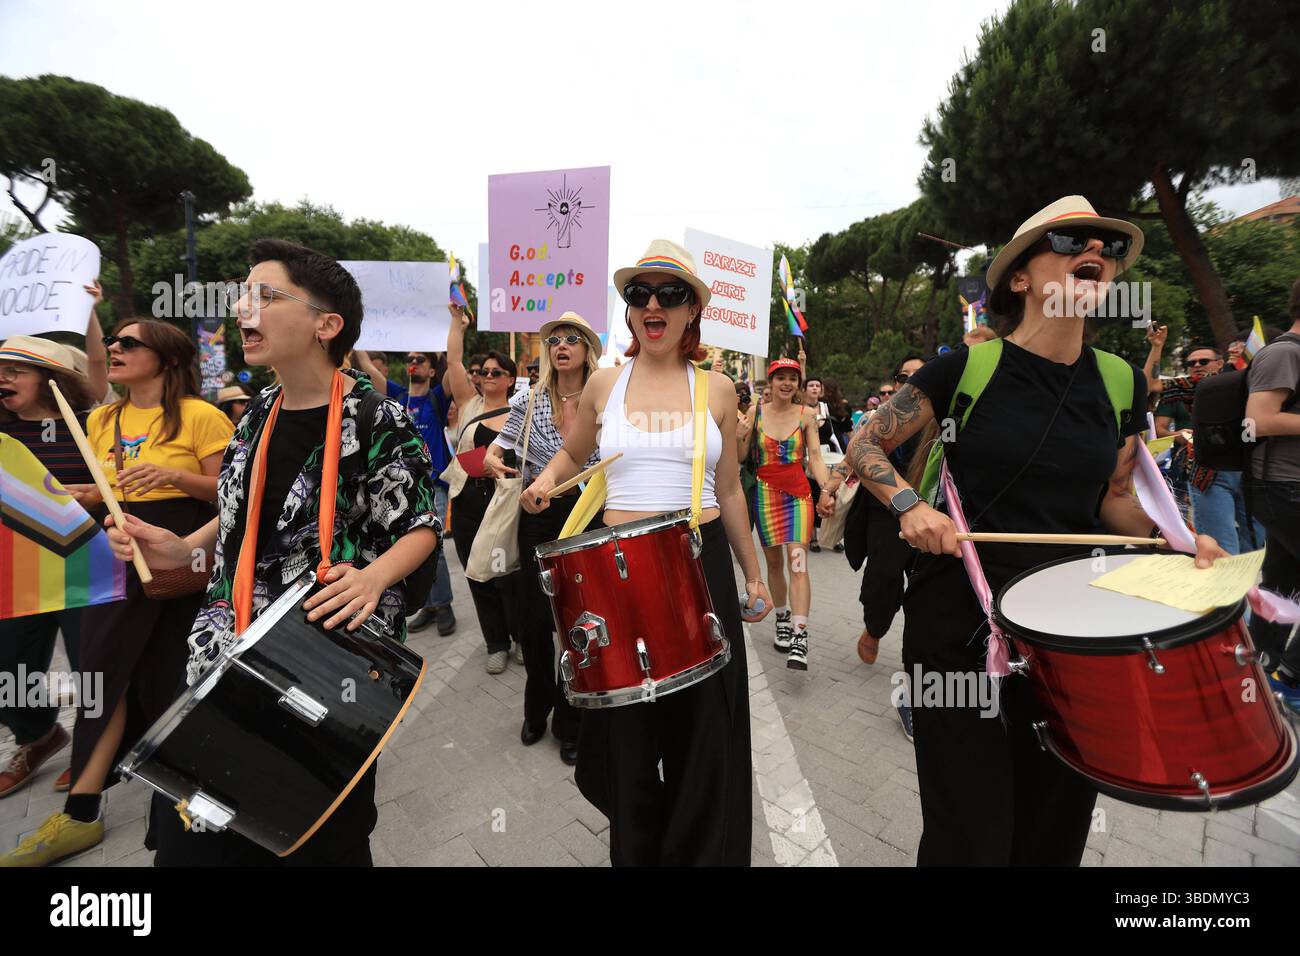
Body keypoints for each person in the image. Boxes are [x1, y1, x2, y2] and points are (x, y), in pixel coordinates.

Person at [846, 196, 1226, 865]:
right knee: (972, 832)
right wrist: (910, 505)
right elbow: (865, 446)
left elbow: (1114, 499)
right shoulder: (966, 369)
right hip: (962, 627)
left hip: (1073, 633)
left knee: (1054, 827)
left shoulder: (1118, 383)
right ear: (1019, 277)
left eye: (1107, 249)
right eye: (1071, 240)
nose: (1097, 254)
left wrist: (1175, 540)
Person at [99, 239, 440, 867]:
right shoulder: (257, 412)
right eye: (240, 294)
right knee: (195, 831)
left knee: (318, 832)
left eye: (263, 294)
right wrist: (182, 546)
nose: (240, 307)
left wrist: (372, 579)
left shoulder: (376, 415)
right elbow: (238, 515)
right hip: (222, 647)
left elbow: (419, 525)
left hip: (322, 655)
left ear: (325, 325)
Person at [521, 239, 772, 865]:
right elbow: (577, 455)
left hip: (701, 560)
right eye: (640, 294)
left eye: (671, 294)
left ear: (692, 312)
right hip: (618, 571)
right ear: (630, 311)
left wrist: (757, 574)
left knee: (706, 733)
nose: (653, 303)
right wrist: (546, 481)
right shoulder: (605, 384)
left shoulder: (717, 390)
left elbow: (733, 490)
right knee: (626, 738)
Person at [3, 317, 234, 867]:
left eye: (130, 343)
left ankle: (181, 801)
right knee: (105, 678)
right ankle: (81, 813)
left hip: (181, 561)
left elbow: (230, 494)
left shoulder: (204, 416)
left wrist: (170, 477)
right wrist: (82, 496)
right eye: (114, 342)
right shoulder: (101, 419)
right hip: (115, 559)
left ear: (168, 359)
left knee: (170, 683)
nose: (114, 349)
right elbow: (108, 491)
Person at [484, 312, 601, 764]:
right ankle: (537, 706)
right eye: (554, 340)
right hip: (538, 514)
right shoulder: (528, 400)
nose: (561, 346)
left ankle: (572, 719)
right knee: (534, 623)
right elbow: (500, 448)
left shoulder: (605, 399)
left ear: (586, 348)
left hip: (589, 515)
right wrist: (493, 460)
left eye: (572, 338)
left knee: (579, 620)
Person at [0, 337, 98, 800]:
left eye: (15, 369)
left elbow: (117, 483)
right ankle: (38, 736)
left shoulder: (92, 425)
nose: (3, 378)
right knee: (8, 665)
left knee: (92, 663)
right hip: (16, 565)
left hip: (85, 559)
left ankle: (96, 750)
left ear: (50, 378)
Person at [440, 307, 524, 673]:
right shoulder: (469, 403)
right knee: (477, 575)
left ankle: (520, 636)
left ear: (509, 379)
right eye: (484, 372)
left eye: (496, 372)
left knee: (507, 574)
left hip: (504, 502)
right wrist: (457, 325)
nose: (487, 376)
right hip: (468, 500)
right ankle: (495, 643)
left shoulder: (522, 411)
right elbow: (454, 360)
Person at [354, 347, 457, 637]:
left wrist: (444, 341)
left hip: (433, 484)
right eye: (409, 359)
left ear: (432, 369)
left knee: (433, 549)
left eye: (420, 360)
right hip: (403, 485)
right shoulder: (398, 395)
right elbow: (366, 366)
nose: (412, 363)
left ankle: (445, 605)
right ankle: (429, 603)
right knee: (409, 549)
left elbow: (455, 365)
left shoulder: (436, 396)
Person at [740, 358, 830, 669]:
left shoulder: (807, 414)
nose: (787, 383)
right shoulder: (756, 413)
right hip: (765, 498)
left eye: (793, 378)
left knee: (798, 562)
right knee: (774, 563)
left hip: (798, 498)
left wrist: (827, 488)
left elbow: (816, 457)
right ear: (771, 381)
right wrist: (740, 433)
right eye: (781, 377)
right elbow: (741, 457)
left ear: (798, 384)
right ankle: (782, 616)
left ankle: (799, 636)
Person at [1245, 278, 1300, 711]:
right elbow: (1259, 420)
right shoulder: (1284, 352)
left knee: (1281, 587)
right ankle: (1289, 678)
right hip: (1282, 487)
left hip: (1288, 487)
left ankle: (1257, 675)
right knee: (1281, 583)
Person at [1156, 345, 1261, 553]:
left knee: (1256, 541)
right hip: (1206, 470)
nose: (1197, 366)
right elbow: (1159, 425)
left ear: (1220, 363)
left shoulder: (1241, 383)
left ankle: (1250, 585)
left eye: (1203, 361)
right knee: (1221, 544)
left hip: (1248, 466)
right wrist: (1181, 436)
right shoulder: (1180, 387)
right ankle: (1225, 585)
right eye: (1191, 363)